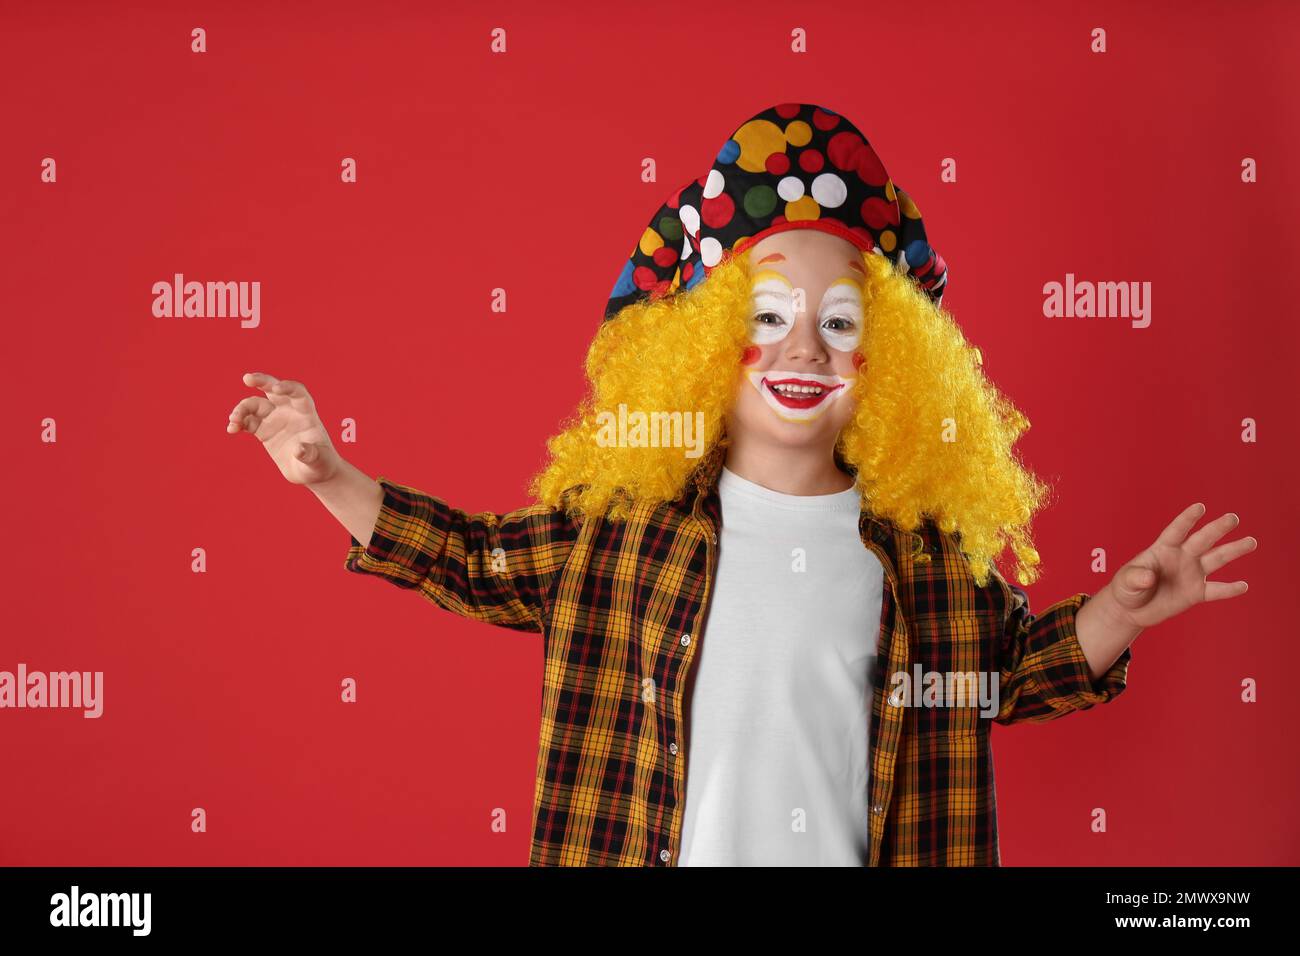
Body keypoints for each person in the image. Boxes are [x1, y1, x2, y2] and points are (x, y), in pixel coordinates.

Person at [225, 102, 1256, 866]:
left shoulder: (926, 556)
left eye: (840, 322)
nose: (801, 344)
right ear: (705, 343)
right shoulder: (618, 535)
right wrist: (330, 471)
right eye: (765, 315)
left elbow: (1001, 679)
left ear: (888, 364)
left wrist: (1119, 611)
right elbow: (464, 554)